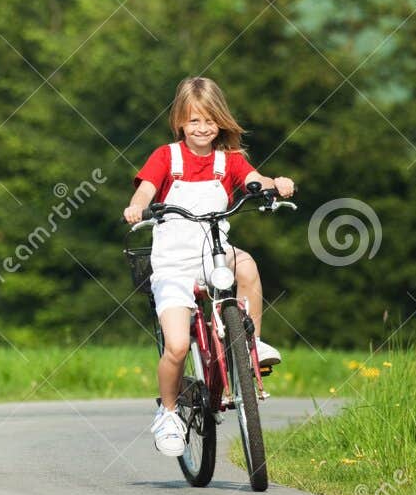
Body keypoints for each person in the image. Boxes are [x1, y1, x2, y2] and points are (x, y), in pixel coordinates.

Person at [121, 76, 295, 457]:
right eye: (194, 121)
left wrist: (274, 185)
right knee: (177, 345)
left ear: (221, 122)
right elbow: (146, 189)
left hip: (214, 253)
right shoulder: (166, 157)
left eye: (210, 120)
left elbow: (253, 180)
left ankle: (251, 342)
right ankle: (168, 413)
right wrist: (137, 207)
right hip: (173, 264)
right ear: (180, 122)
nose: (202, 128)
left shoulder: (228, 160)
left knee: (246, 265)